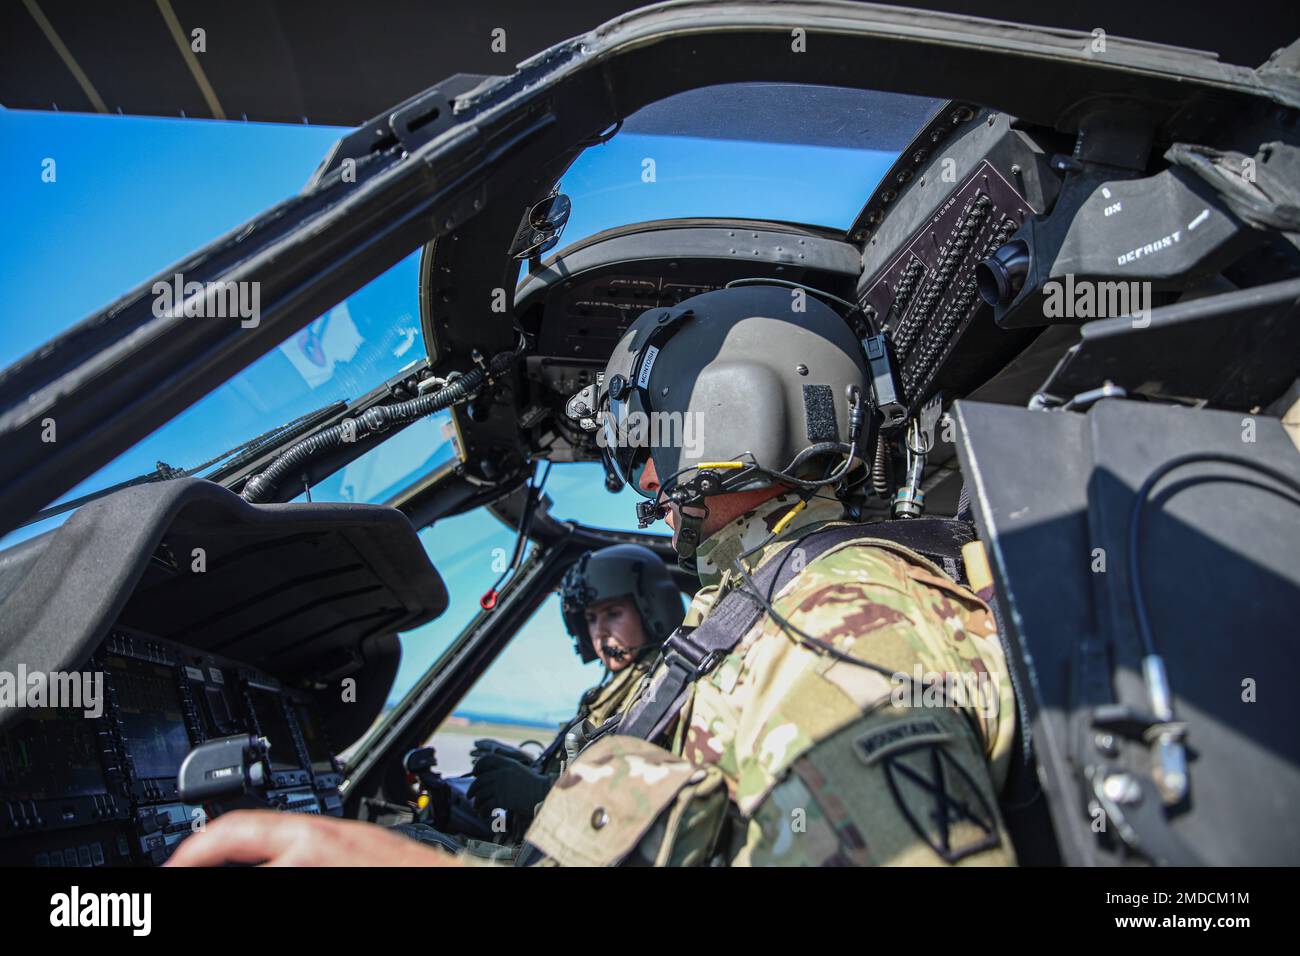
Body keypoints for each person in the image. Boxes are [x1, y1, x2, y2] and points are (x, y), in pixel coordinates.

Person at [169, 285, 1018, 867]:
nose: (644, 479)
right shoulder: (766, 608)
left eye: (648, 439)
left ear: (731, 410)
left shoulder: (838, 616)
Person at [463, 544, 684, 833]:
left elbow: (640, 800)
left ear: (653, 608)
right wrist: (535, 768)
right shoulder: (613, 689)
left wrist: (544, 792)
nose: (600, 631)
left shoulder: (663, 686)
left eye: (613, 613)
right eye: (591, 619)